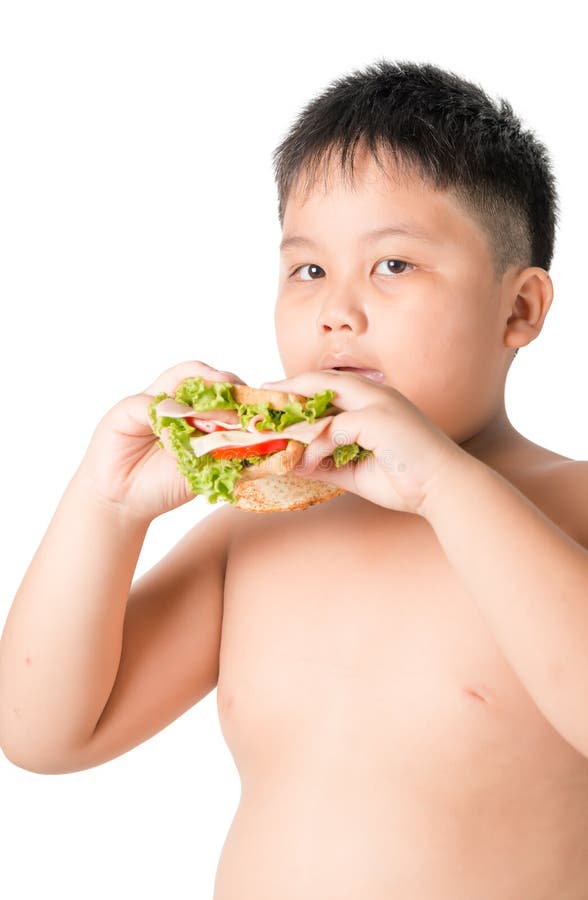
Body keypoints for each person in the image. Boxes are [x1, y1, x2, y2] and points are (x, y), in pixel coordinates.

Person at [2, 58, 588, 897]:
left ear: (520, 309)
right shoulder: (258, 529)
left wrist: (442, 485)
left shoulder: (572, 503)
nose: (335, 311)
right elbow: (44, 735)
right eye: (308, 269)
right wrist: (106, 505)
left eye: (394, 266)